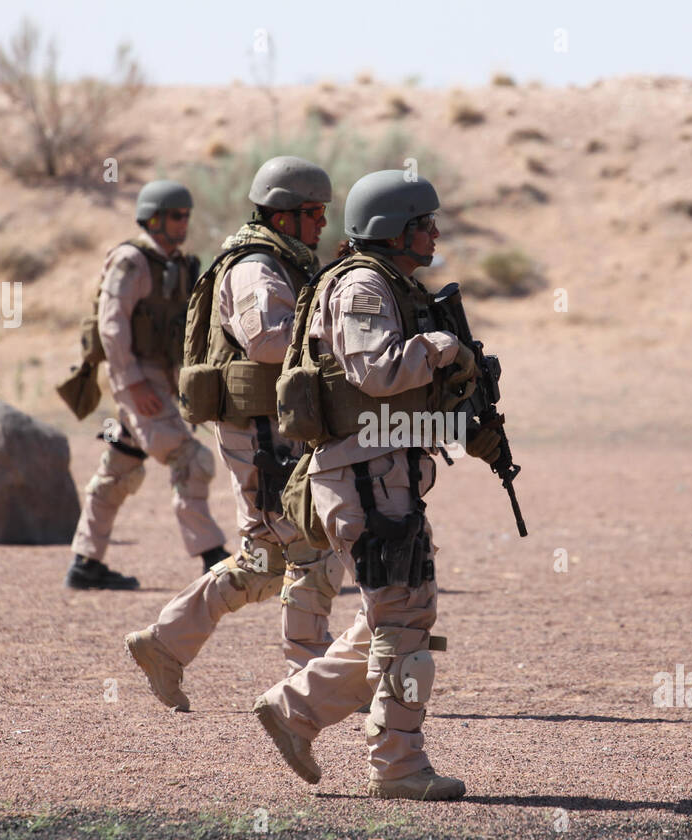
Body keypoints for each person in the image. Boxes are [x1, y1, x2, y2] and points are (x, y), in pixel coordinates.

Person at [252, 170, 500, 801]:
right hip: (364, 481)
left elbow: (397, 399)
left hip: (381, 476)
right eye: (426, 224)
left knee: (397, 615)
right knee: (403, 629)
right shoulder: (363, 284)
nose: (436, 234)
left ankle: (294, 708)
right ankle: (396, 766)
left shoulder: (387, 282)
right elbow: (376, 369)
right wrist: (443, 348)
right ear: (394, 229)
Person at [125, 158, 345, 709]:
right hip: (262, 436)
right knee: (311, 550)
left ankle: (165, 643)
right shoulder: (254, 265)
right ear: (282, 214)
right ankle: (311, 683)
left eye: (324, 211)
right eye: (313, 212)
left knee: (266, 562)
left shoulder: (287, 261)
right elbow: (268, 341)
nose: (322, 222)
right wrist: (334, 322)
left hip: (272, 429)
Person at [65, 180, 230, 590]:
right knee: (190, 460)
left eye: (187, 216)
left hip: (160, 379)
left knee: (118, 469)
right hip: (136, 378)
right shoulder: (131, 262)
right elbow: (112, 325)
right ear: (153, 218)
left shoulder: (178, 264)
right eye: (176, 216)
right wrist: (133, 384)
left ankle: (85, 562)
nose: (183, 223)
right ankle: (212, 556)